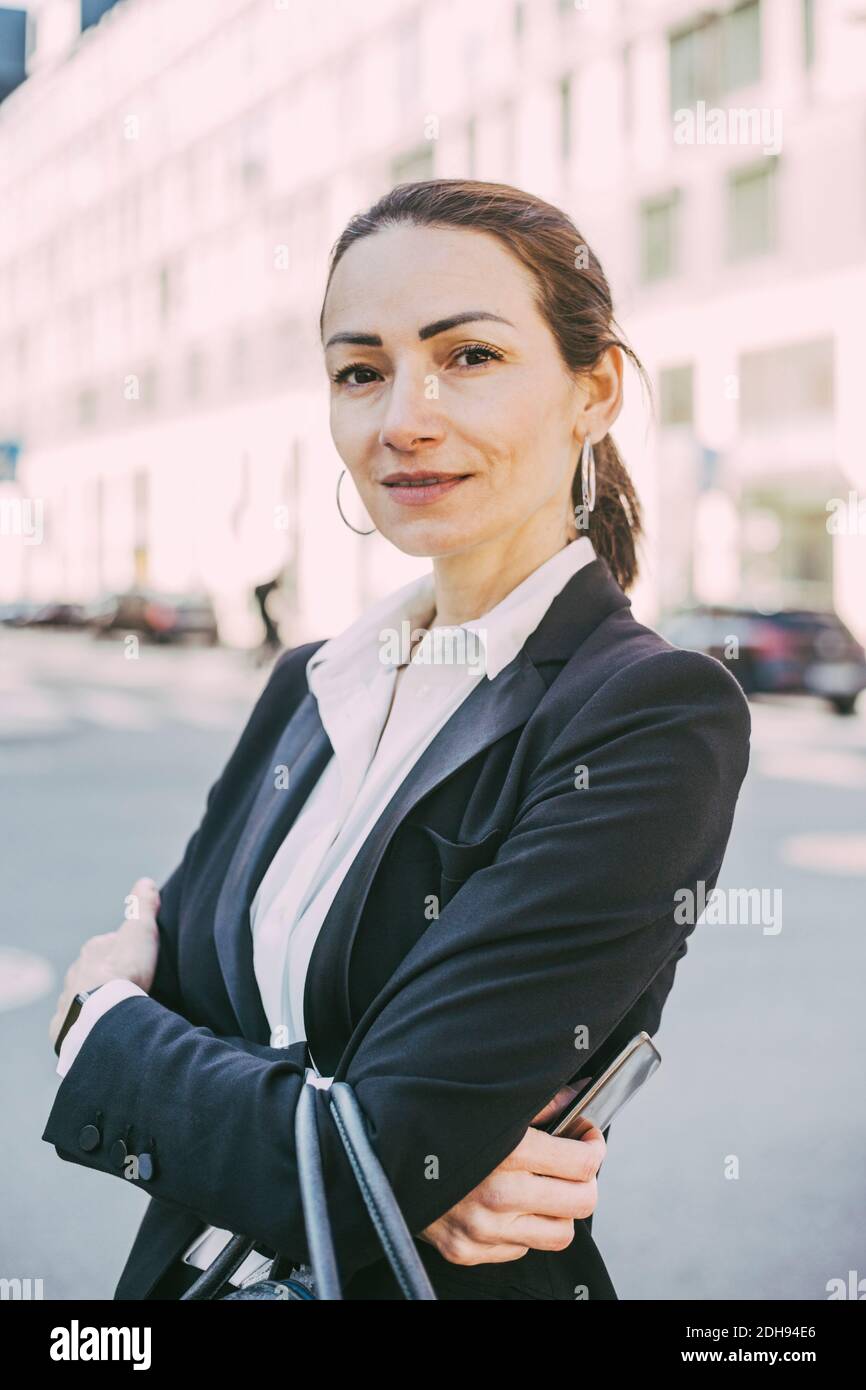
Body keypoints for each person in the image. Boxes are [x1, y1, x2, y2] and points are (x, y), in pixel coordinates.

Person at [44, 179, 750, 1301]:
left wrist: (99, 1023)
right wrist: (389, 1150)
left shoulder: (649, 711)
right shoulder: (309, 683)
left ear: (594, 390)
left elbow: (351, 1150)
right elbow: (246, 1038)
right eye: (360, 371)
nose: (401, 419)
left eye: (467, 356)